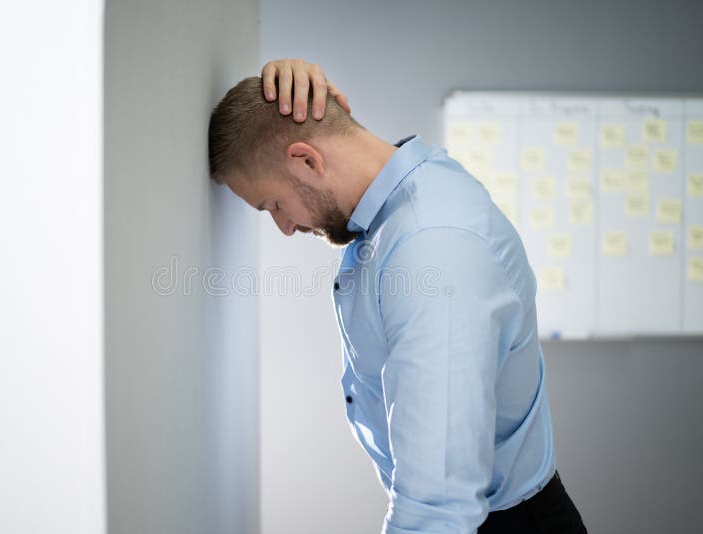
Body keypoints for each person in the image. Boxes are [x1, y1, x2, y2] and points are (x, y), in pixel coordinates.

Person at [209, 58, 588, 534]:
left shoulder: (433, 247)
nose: (284, 227)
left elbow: (438, 509)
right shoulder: (400, 202)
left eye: (273, 205)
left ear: (307, 160)